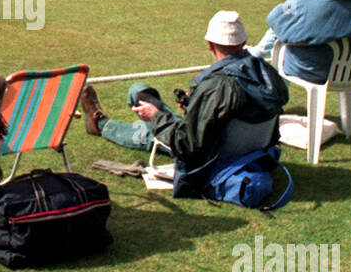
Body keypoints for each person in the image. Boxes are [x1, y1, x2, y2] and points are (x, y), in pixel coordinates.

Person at [82, 12, 287, 196]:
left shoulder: (219, 85)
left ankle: (101, 125)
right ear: (244, 42)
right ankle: (126, 121)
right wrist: (194, 106)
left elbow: (187, 145)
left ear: (209, 44)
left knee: (143, 109)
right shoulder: (267, 73)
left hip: (213, 157)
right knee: (142, 94)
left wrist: (155, 116)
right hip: (252, 152)